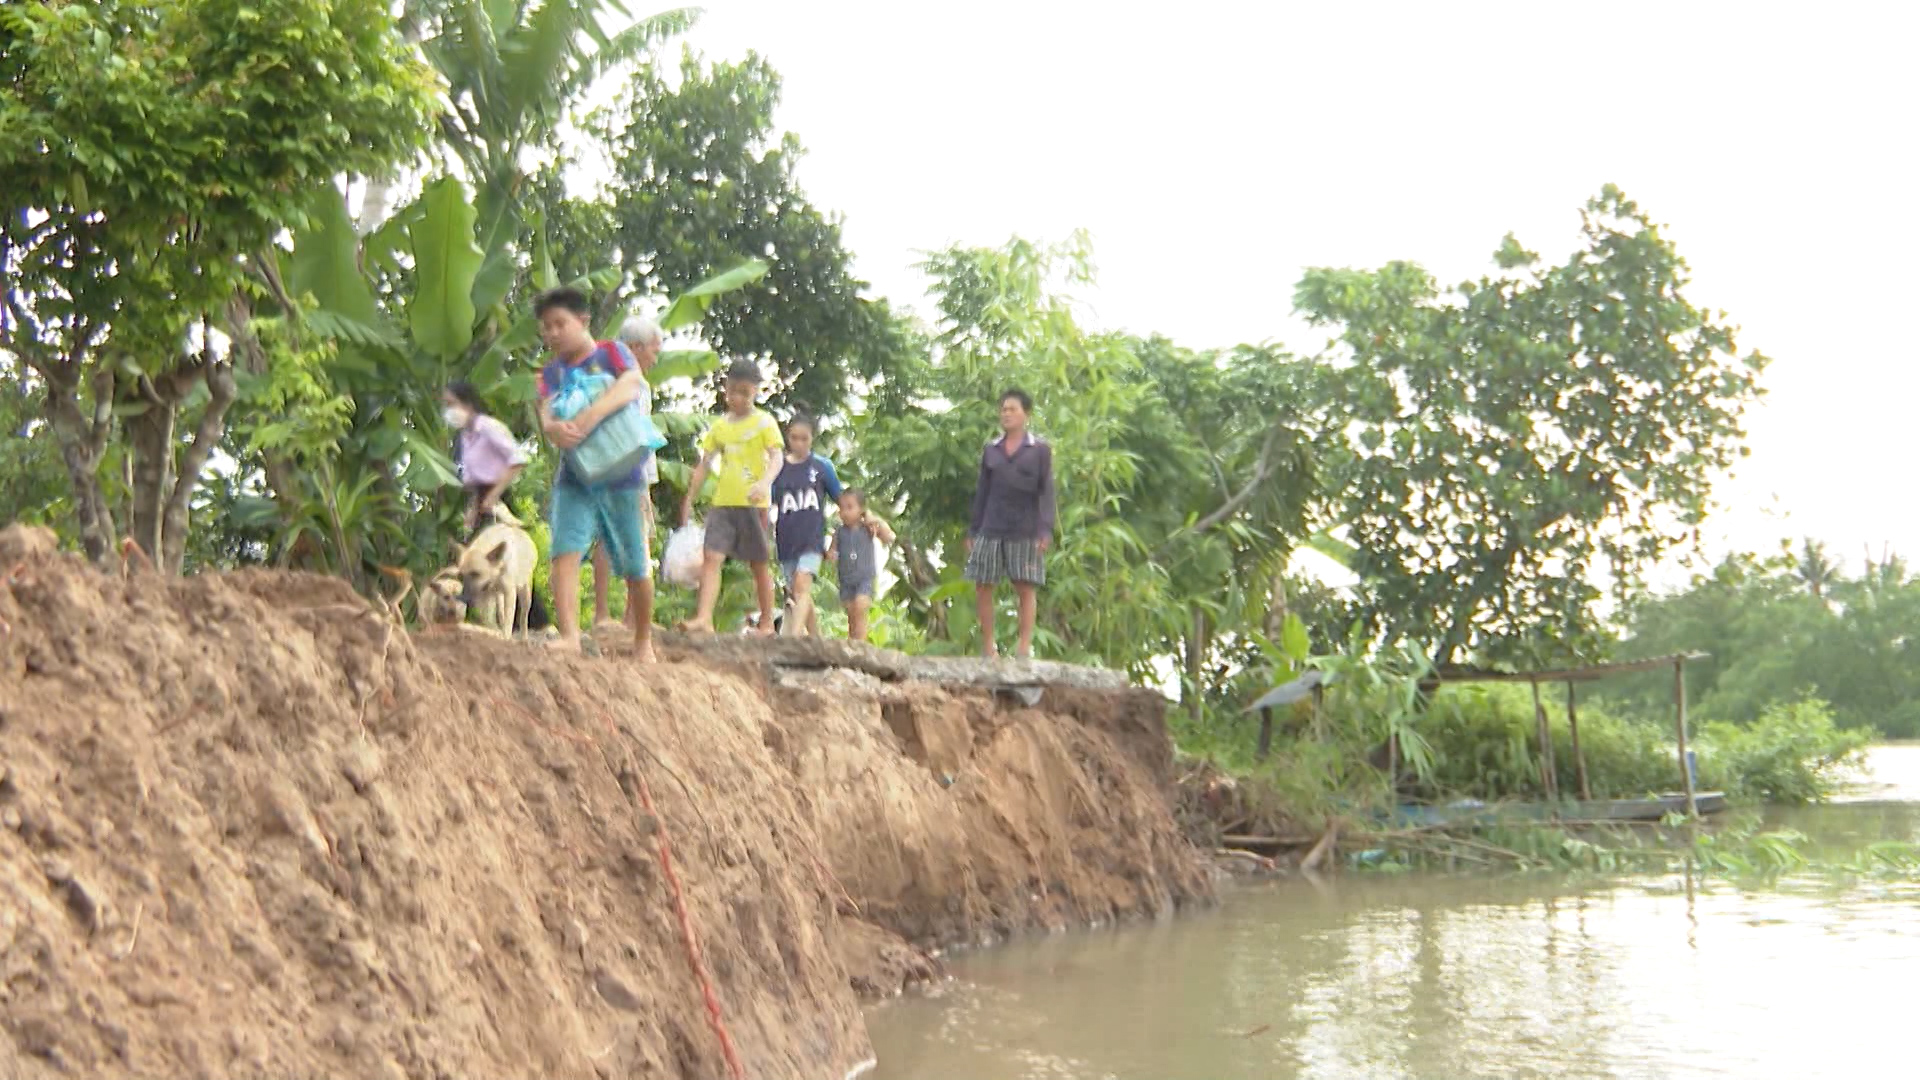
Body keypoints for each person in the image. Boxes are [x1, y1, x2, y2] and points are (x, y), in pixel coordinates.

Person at [533, 287, 655, 660]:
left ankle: (643, 640)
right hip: (576, 474)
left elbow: (631, 386)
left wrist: (588, 417)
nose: (553, 333)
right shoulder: (551, 372)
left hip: (621, 472)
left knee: (635, 561)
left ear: (582, 321)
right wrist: (552, 427)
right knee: (564, 550)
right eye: (546, 327)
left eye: (560, 324)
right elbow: (545, 411)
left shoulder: (612, 353)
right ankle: (570, 634)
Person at [677, 360, 782, 635]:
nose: (738, 398)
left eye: (745, 392)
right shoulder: (720, 427)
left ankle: (768, 621)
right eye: (733, 391)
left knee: (758, 564)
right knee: (712, 557)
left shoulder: (764, 422)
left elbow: (777, 457)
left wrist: (765, 482)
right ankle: (703, 618)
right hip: (722, 503)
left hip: (754, 504)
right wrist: (689, 498)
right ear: (726, 389)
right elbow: (704, 464)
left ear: (756, 392)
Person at [585, 316, 664, 630]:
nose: (655, 359)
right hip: (627, 471)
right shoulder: (633, 383)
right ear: (636, 347)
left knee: (608, 537)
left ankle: (608, 614)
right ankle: (628, 618)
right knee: (635, 540)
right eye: (654, 351)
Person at [964, 388, 1055, 659]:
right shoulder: (991, 450)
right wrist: (973, 530)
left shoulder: (1039, 450)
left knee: (1025, 586)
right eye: (1003, 409)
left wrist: (1044, 529)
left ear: (1026, 414)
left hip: (1025, 530)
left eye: (1012, 409)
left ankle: (1024, 648)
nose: (1006, 413)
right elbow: (982, 492)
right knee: (983, 585)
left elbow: (1046, 491)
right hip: (991, 527)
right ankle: (989, 647)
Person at [768, 414, 843, 637]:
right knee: (798, 592)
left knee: (801, 585)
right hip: (787, 540)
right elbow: (767, 502)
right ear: (787, 438)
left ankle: (794, 636)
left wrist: (836, 542)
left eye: (804, 439)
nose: (799, 443)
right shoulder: (778, 468)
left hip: (812, 541)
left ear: (812, 439)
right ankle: (815, 638)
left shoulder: (822, 467)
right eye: (794, 438)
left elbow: (844, 502)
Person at [444, 380, 527, 536]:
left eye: (451, 404)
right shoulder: (464, 436)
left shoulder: (488, 427)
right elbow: (474, 480)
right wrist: (474, 508)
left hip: (499, 499)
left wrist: (493, 495)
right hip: (479, 502)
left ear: (467, 404)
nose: (448, 411)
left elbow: (517, 460)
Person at [825, 487, 894, 643]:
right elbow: (832, 551)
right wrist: (830, 555)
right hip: (846, 580)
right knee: (852, 615)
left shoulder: (869, 529)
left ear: (861, 509)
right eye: (842, 508)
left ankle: (861, 645)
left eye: (850, 507)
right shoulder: (839, 532)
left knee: (860, 607)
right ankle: (853, 642)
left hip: (865, 578)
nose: (845, 512)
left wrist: (871, 518)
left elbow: (889, 537)